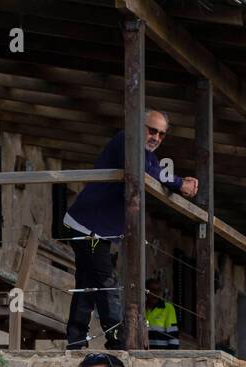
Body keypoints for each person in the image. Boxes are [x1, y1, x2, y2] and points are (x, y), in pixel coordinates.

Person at [64, 111, 199, 350]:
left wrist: (178, 183)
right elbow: (146, 173)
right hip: (90, 228)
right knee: (105, 280)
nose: (156, 137)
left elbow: (156, 174)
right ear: (139, 127)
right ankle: (117, 340)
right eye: (152, 130)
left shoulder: (148, 156)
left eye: (161, 134)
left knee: (87, 281)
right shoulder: (126, 141)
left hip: (93, 229)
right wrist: (180, 184)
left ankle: (75, 340)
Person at [145, 277, 180, 349]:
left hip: (161, 354)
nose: (156, 294)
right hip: (143, 354)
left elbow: (174, 338)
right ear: (146, 291)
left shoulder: (168, 308)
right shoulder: (141, 308)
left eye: (158, 290)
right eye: (153, 290)